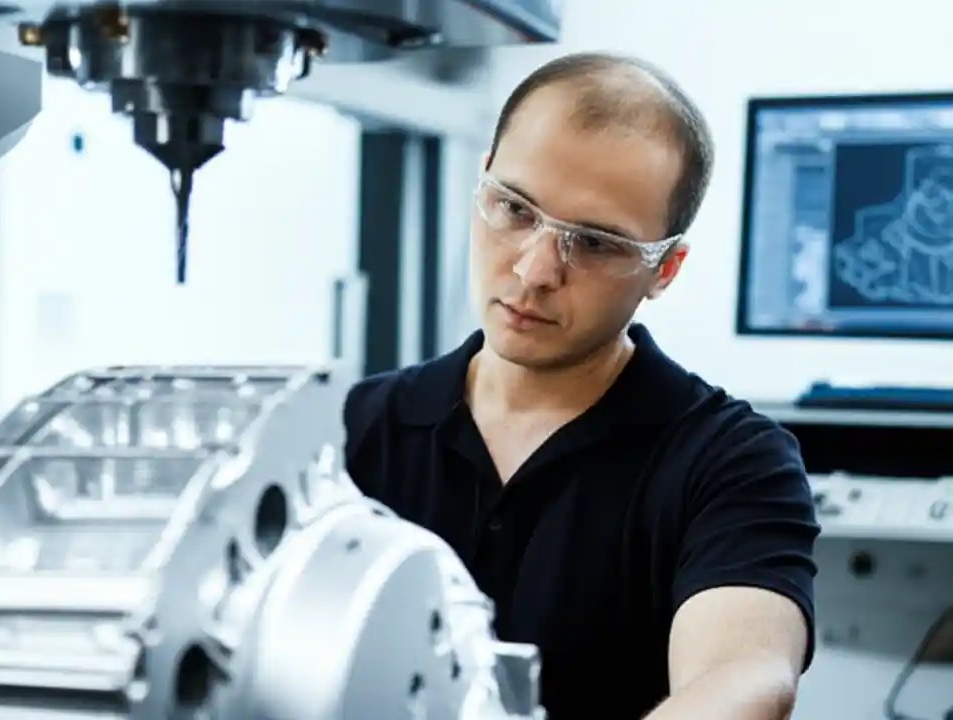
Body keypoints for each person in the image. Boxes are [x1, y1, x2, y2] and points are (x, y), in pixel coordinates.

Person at [342, 52, 820, 719]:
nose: (535, 269)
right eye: (514, 208)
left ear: (666, 270)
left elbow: (745, 679)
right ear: (483, 181)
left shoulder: (731, 461)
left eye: (595, 244)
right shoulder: (351, 430)